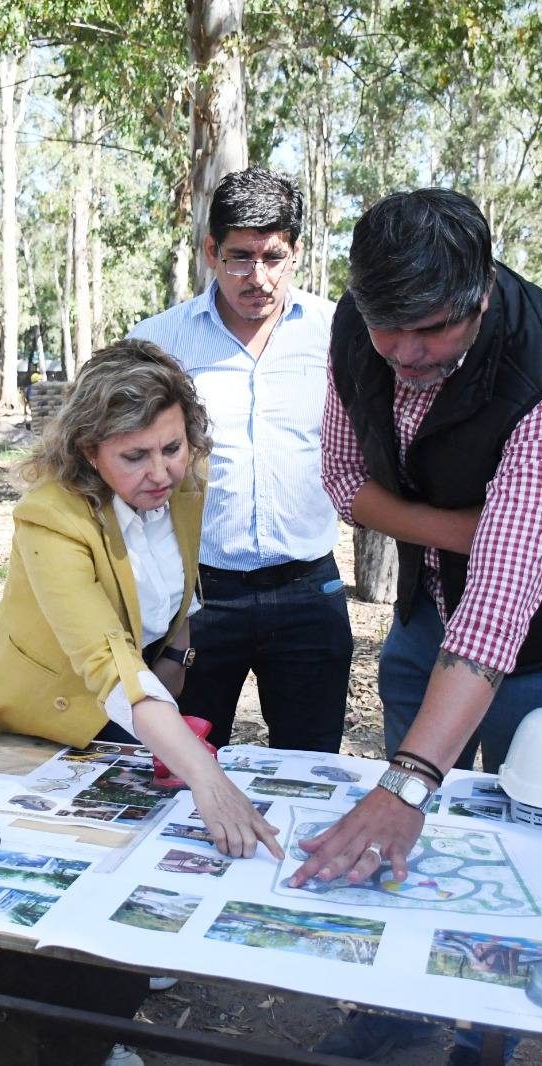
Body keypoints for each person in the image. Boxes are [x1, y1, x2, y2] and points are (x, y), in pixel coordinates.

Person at [306, 188, 542, 1065]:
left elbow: (500, 612)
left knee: (519, 848)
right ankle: (399, 1009)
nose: (406, 354)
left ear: (481, 293)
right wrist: (468, 527)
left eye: (434, 330)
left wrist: (409, 779)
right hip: (427, 611)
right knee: (410, 833)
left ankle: (487, 1035)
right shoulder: (356, 328)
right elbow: (343, 479)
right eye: (387, 327)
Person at [0, 339, 281, 862]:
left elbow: (181, 573)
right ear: (89, 451)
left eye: (172, 448)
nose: (160, 474)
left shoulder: (187, 478)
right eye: (134, 456)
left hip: (143, 699)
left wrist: (176, 656)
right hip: (48, 716)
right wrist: (207, 779)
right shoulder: (50, 517)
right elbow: (109, 664)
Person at [129, 167, 351, 753]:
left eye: (273, 257)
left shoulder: (337, 334)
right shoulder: (158, 343)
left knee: (313, 769)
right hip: (200, 598)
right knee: (181, 768)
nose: (258, 277)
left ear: (296, 252)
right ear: (210, 251)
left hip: (309, 592)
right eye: (239, 258)